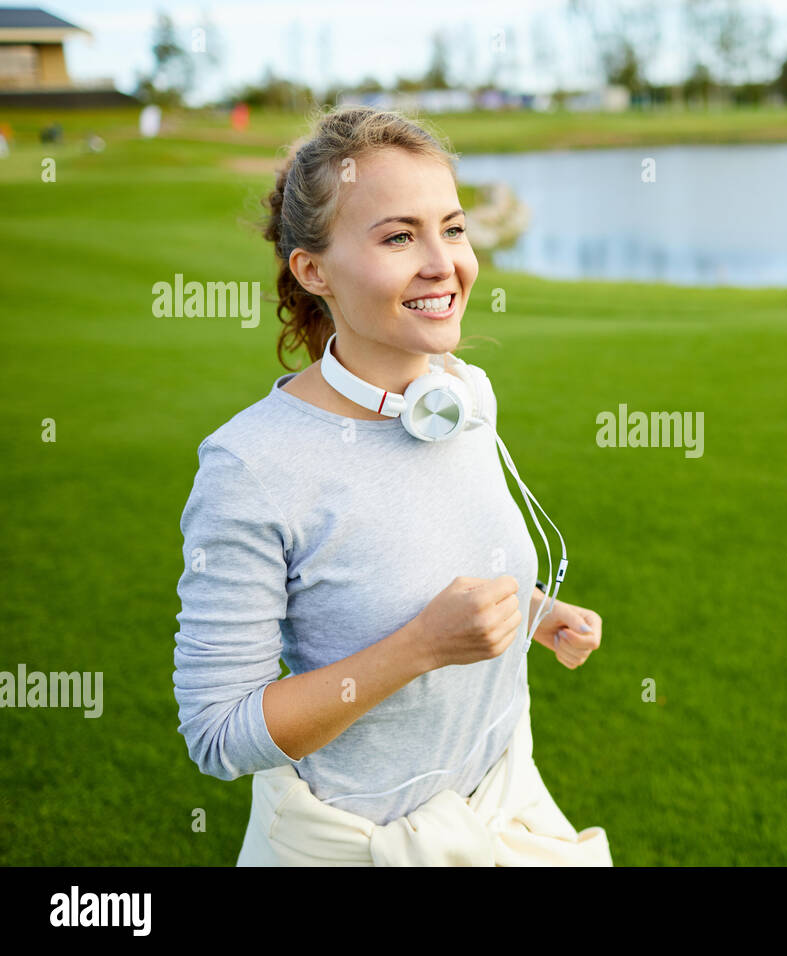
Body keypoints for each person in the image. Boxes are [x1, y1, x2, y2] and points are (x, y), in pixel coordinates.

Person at [171, 105, 611, 866]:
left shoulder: (461, 396)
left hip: (503, 796)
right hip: (352, 845)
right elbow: (217, 732)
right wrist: (418, 648)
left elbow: (425, 563)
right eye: (399, 236)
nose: (444, 262)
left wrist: (532, 609)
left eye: (454, 227)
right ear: (313, 270)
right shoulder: (253, 467)